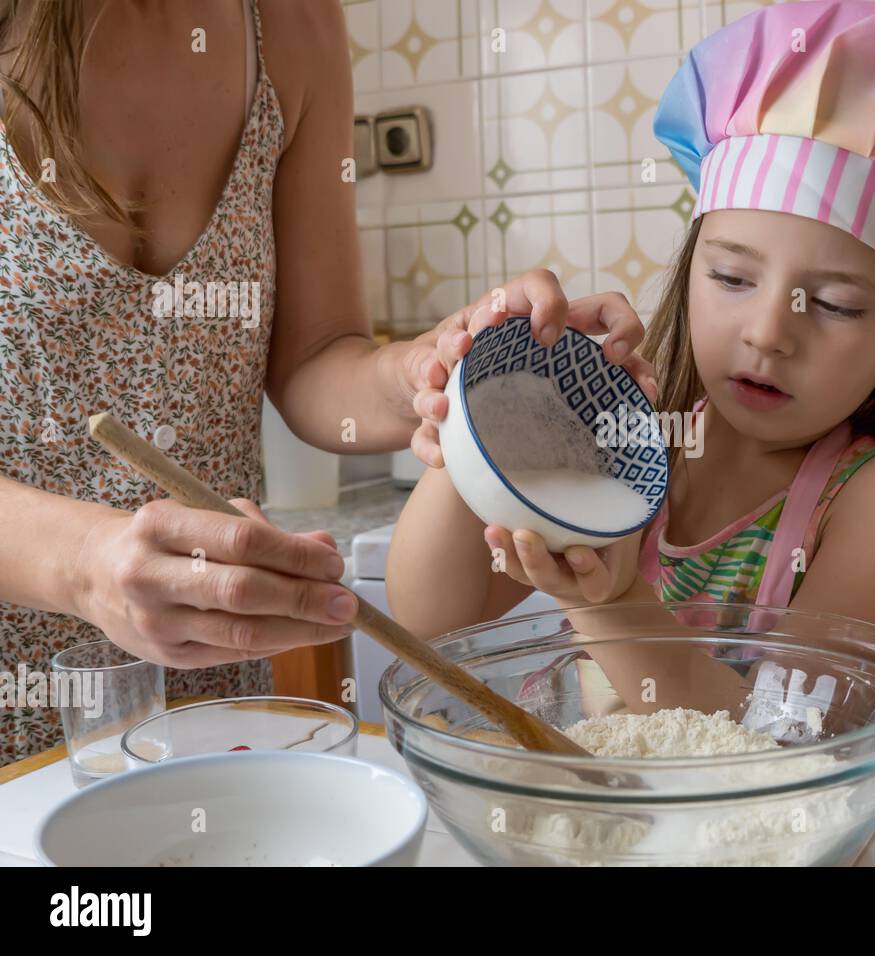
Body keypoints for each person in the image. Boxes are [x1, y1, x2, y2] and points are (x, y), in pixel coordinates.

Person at [390, 0, 875, 791]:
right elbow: (434, 617)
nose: (768, 333)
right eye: (732, 277)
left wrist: (614, 604)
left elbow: (786, 753)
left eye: (837, 304)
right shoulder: (635, 439)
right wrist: (482, 408)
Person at [0, 0, 655, 767]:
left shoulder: (291, 24)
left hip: (212, 677)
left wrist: (431, 367)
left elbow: (317, 358)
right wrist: (87, 565)